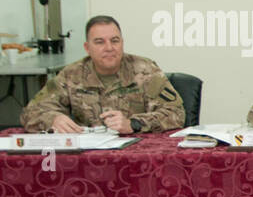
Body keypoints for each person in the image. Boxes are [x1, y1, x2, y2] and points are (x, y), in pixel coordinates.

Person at [20, 15, 184, 134]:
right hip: (88, 158)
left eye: (115, 41)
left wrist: (134, 124)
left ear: (122, 43)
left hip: (137, 155)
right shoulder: (71, 75)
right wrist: (53, 119)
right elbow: (31, 112)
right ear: (87, 47)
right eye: (99, 42)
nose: (109, 47)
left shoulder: (145, 70)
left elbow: (176, 113)